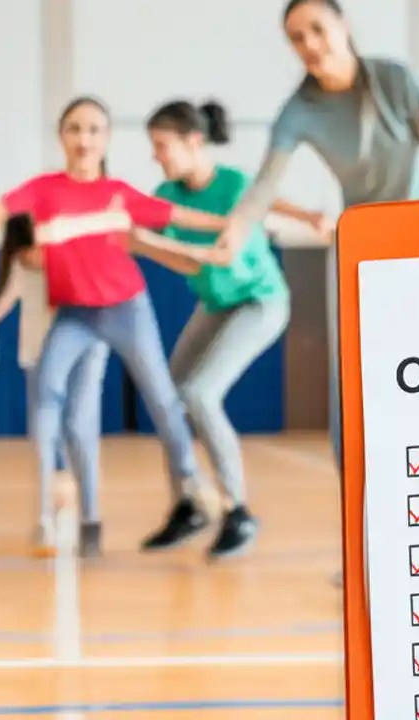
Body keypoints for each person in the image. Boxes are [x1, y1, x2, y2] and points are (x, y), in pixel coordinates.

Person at [218, 0, 419, 583]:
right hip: (361, 250)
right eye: (297, 38)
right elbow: (261, 189)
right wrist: (231, 234)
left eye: (318, 29)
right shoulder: (298, 109)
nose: (310, 44)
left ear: (344, 26)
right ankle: (368, 550)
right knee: (347, 404)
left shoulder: (395, 81)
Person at [0, 95, 228, 556]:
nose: (84, 138)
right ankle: (59, 483)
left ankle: (190, 480)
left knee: (162, 397)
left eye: (93, 129)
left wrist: (236, 223)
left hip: (127, 309)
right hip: (75, 316)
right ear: (61, 136)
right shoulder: (43, 189)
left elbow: (184, 217)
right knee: (47, 388)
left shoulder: (122, 194)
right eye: (74, 128)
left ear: (105, 139)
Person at [140, 99, 294, 558]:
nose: (156, 156)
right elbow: (161, 249)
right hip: (217, 302)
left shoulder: (233, 186)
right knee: (170, 396)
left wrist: (144, 243)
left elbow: (222, 254)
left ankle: (238, 509)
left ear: (194, 141)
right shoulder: (167, 194)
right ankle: (190, 503)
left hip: (259, 303)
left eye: (162, 146)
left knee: (200, 394)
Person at [0, 212, 109, 557]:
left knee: (79, 430)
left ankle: (91, 520)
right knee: (44, 437)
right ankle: (44, 520)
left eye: (33, 249)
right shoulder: (20, 264)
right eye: (24, 251)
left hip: (83, 355)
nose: (30, 258)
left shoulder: (69, 257)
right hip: (38, 357)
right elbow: (3, 301)